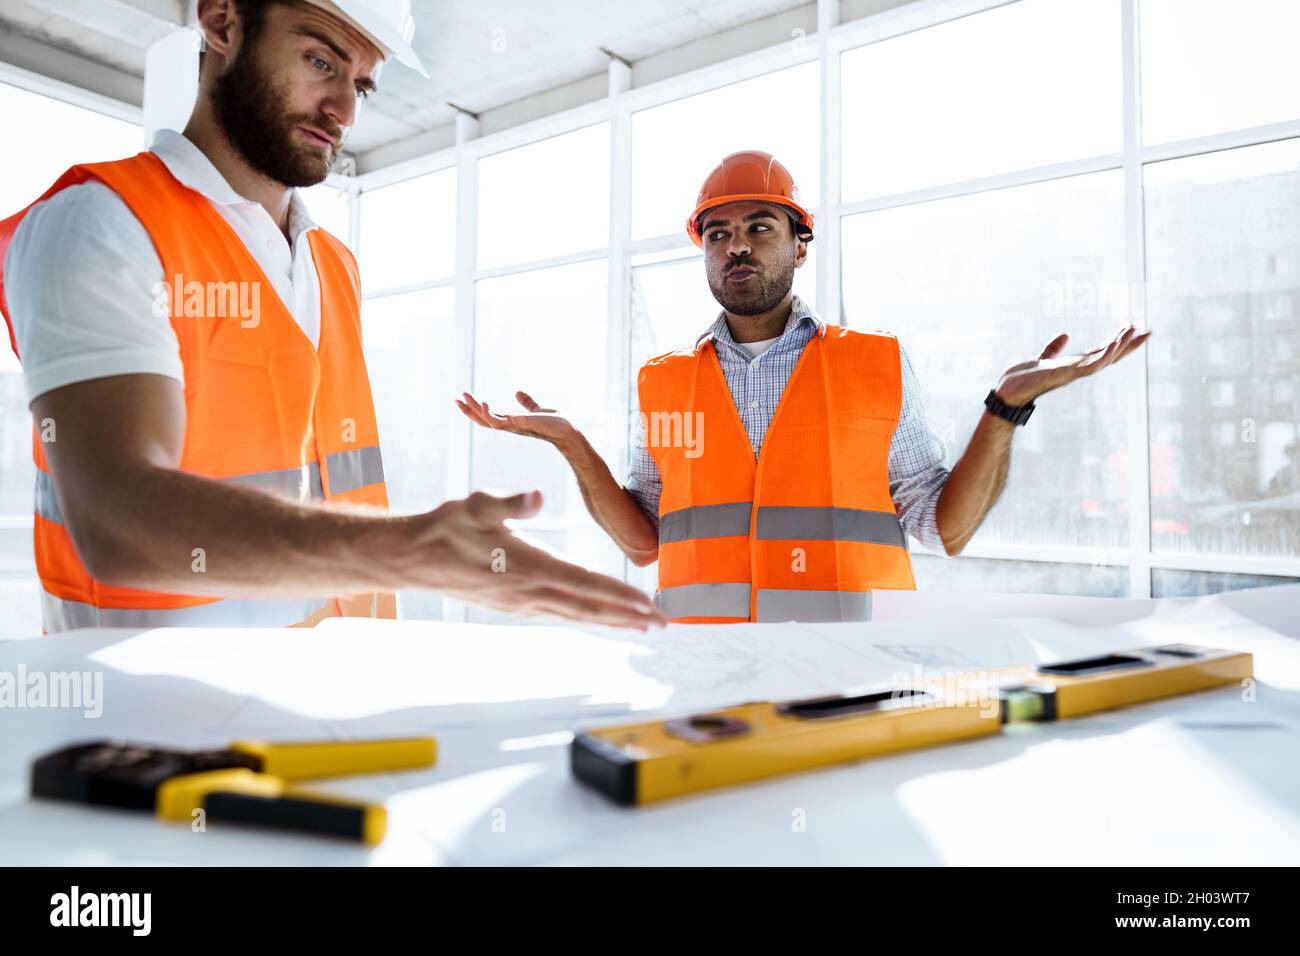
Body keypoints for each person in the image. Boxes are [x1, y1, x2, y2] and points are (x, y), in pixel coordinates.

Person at [0, 0, 664, 633]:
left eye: (363, 84)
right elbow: (116, 520)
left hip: (329, 699)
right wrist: (408, 548)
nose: (344, 109)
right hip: (150, 726)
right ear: (222, 21)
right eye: (321, 61)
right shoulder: (99, 223)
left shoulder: (330, 264)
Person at [458, 150, 1150, 623]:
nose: (737, 247)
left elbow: (943, 529)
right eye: (719, 233)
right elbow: (644, 542)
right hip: (701, 665)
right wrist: (574, 444)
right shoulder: (663, 382)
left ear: (799, 243)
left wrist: (1006, 409)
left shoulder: (874, 364)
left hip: (843, 668)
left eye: (761, 227)